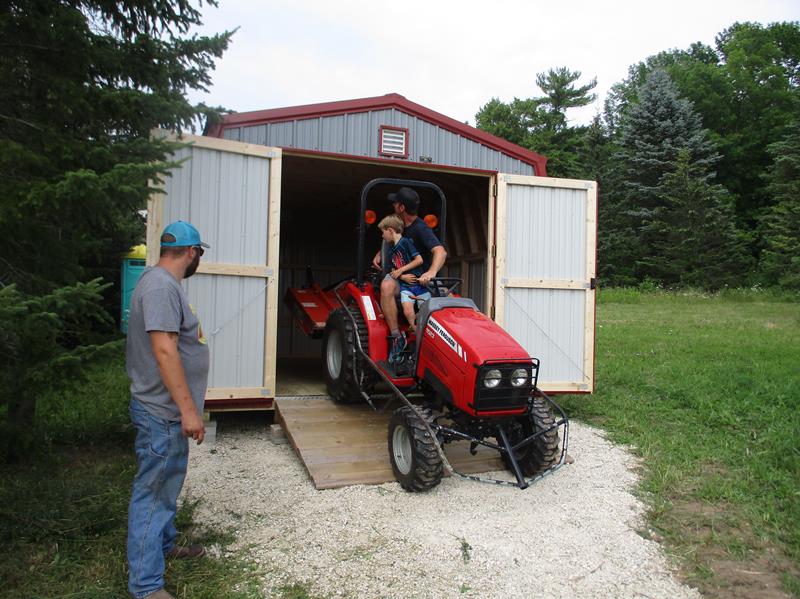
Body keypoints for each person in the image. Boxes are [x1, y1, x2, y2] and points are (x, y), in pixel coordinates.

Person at [125, 220, 210, 599]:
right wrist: (189, 410)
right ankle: (145, 587)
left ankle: (161, 546)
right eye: (199, 254)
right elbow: (164, 350)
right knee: (154, 491)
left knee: (167, 486)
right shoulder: (160, 286)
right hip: (161, 411)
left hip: (167, 410)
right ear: (192, 253)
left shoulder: (162, 284)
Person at [372, 187, 446, 360]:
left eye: (395, 203)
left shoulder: (421, 228)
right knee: (387, 285)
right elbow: (391, 238)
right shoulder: (398, 224)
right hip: (401, 278)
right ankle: (396, 336)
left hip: (416, 280)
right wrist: (380, 252)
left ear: (401, 207)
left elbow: (440, 251)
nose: (393, 205)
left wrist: (432, 272)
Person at [377, 214, 431, 342]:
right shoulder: (391, 251)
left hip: (417, 284)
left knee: (426, 309)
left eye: (383, 232)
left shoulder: (405, 242)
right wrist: (402, 276)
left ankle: (424, 330)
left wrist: (401, 270)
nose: (382, 236)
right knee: (408, 310)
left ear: (390, 230)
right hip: (406, 284)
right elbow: (393, 269)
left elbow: (419, 260)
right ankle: (410, 332)